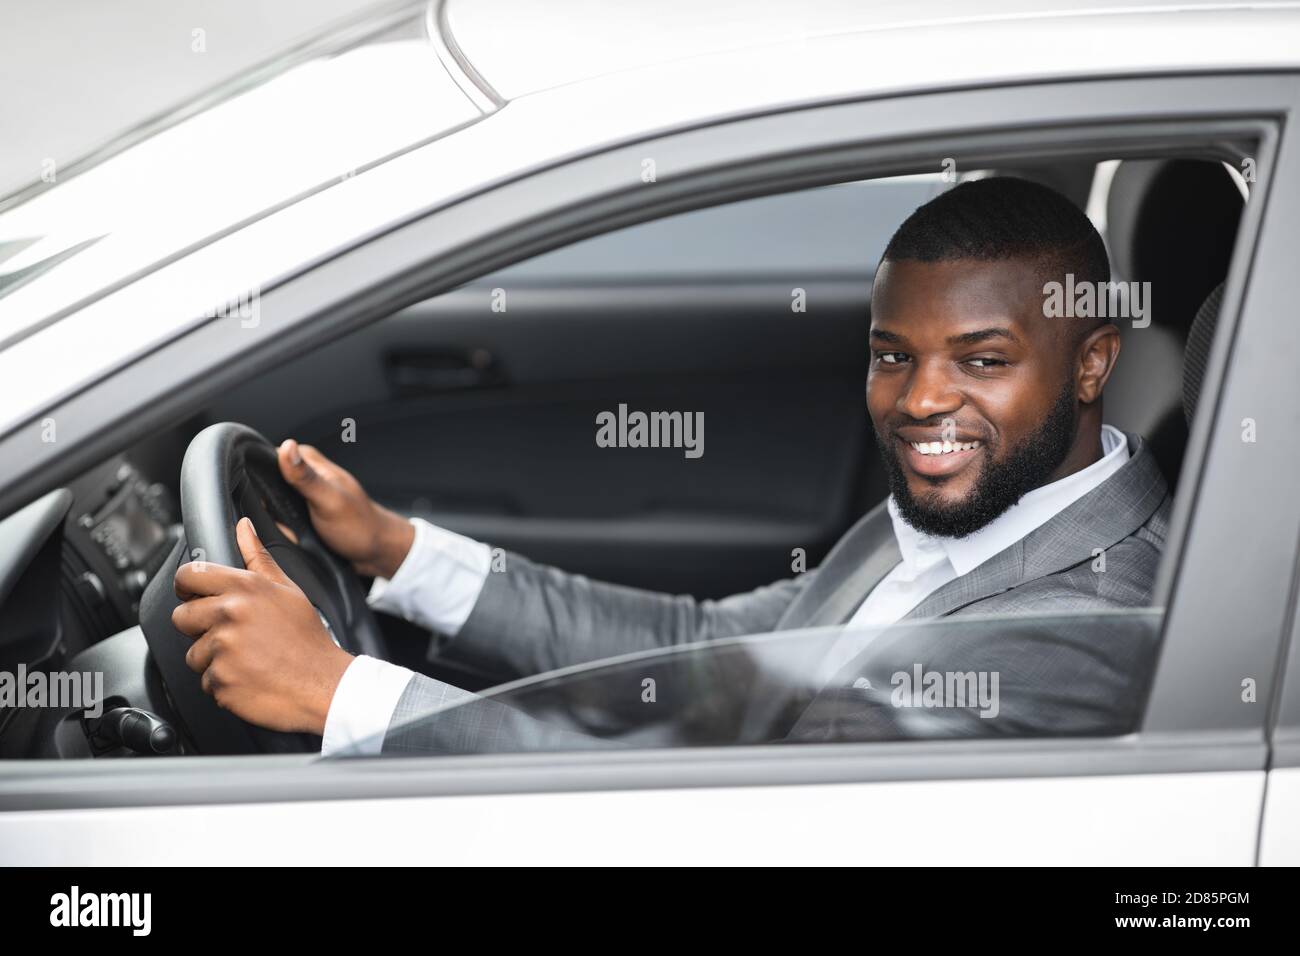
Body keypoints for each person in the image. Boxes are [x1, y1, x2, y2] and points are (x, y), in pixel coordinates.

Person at [170, 177, 1170, 755]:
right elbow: (697, 652)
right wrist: (398, 549)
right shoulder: (960, 517)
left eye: (981, 360)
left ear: (1091, 361)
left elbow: (732, 832)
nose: (917, 402)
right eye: (891, 354)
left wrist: (341, 692)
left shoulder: (1089, 624)